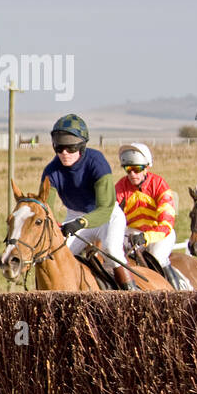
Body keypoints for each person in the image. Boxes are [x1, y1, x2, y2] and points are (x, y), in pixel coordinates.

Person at [39, 113, 134, 290]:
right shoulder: (51, 171)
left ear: (81, 146)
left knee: (112, 250)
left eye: (70, 148)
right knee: (53, 255)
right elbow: (46, 209)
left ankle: (132, 294)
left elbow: (105, 208)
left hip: (107, 216)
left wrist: (80, 223)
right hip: (75, 216)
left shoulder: (96, 162)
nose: (64, 153)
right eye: (59, 148)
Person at [114, 143, 177, 270]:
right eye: (128, 169)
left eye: (137, 169)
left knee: (157, 259)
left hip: (159, 234)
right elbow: (111, 214)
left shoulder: (159, 185)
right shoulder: (120, 186)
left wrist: (146, 237)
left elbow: (166, 224)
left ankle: (177, 287)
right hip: (132, 233)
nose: (132, 174)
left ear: (146, 168)